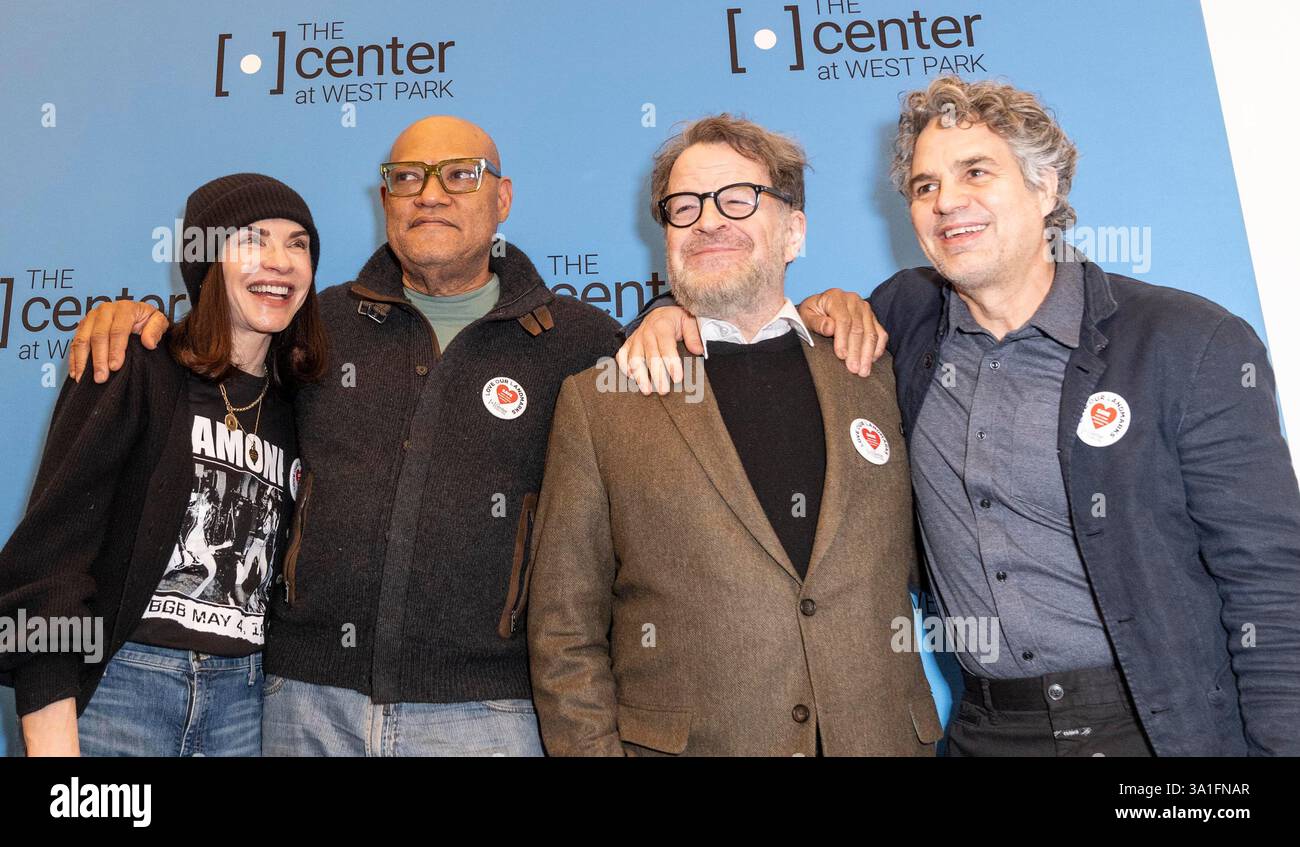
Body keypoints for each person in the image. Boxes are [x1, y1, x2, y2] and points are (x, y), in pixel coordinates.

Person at [618, 77, 1300, 756]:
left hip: (1155, 727)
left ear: (1046, 187)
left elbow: (1271, 584)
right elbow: (761, 318)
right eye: (924, 186)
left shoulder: (1188, 342)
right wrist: (668, 314)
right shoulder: (901, 321)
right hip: (984, 730)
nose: (948, 202)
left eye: (976, 171)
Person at [67, 117, 623, 756]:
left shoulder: (578, 340)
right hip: (300, 701)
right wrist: (134, 317)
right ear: (385, 199)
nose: (431, 194)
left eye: (461, 175)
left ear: (502, 199)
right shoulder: (315, 321)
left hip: (486, 713)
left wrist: (664, 316)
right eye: (406, 177)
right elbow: (217, 343)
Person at [526, 115, 941, 756]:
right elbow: (563, 627)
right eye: (684, 206)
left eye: (738, 199)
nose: (708, 221)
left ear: (793, 232)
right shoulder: (599, 401)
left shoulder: (874, 365)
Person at [0, 173, 326, 756]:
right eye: (252, 240)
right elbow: (49, 561)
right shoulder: (133, 366)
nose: (279, 261)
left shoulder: (306, 405)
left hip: (247, 707)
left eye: (297, 243)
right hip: (121, 692)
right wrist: (52, 742)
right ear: (205, 261)